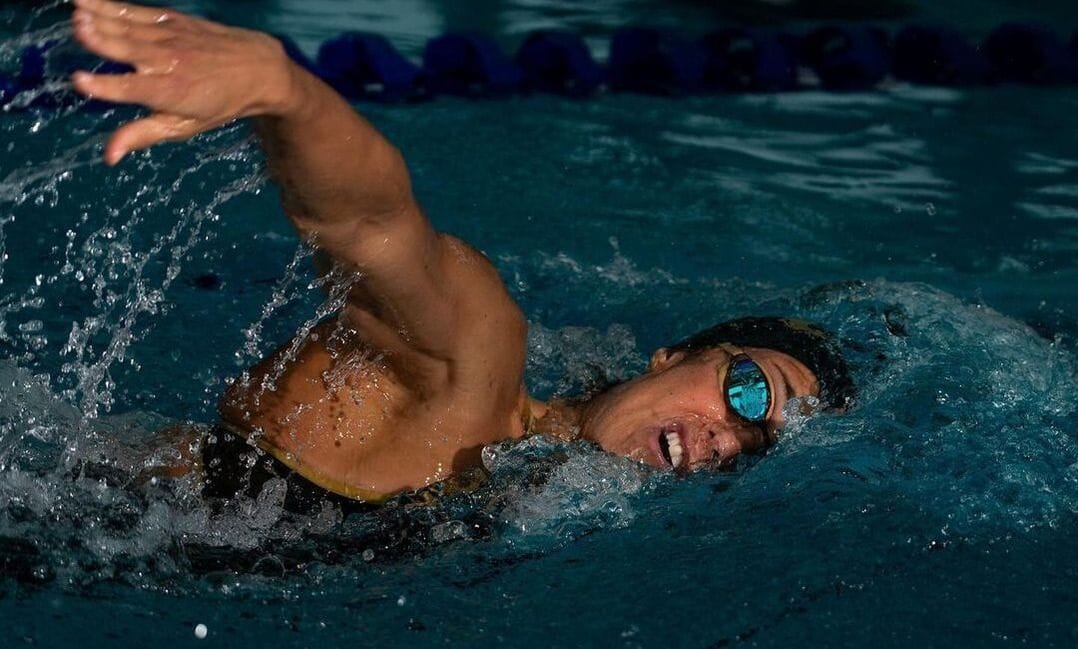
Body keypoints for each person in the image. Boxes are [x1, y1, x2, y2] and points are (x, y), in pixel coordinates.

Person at [69, 0, 853, 505]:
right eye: (750, 393)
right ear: (673, 355)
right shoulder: (477, 365)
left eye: (760, 445)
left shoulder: (536, 496)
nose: (730, 437)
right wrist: (286, 92)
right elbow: (373, 227)